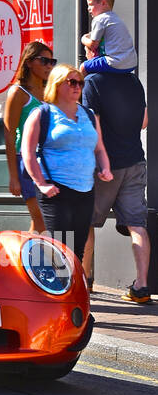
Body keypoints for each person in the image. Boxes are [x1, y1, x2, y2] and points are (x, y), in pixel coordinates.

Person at [21, 64, 114, 263]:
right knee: (61, 249)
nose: (77, 87)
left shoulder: (88, 115)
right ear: (56, 84)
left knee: (77, 250)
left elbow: (99, 149)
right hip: (55, 189)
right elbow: (27, 152)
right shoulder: (42, 114)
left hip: (85, 189)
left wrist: (105, 168)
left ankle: (75, 293)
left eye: (80, 82)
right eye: (72, 82)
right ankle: (57, 291)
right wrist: (41, 184)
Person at [81, 68, 151, 302]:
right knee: (137, 225)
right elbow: (144, 122)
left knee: (86, 222)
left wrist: (101, 162)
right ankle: (141, 286)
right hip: (135, 161)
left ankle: (84, 281)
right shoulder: (133, 80)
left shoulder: (92, 81)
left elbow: (93, 126)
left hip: (106, 165)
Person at [3, 41, 55, 233]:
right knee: (41, 219)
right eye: (44, 61)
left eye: (52, 62)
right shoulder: (18, 92)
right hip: (24, 161)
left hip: (48, 161)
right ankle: (41, 262)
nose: (49, 66)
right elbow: (9, 135)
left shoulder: (50, 91)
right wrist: (13, 177)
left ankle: (27, 259)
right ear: (29, 62)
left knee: (40, 222)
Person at [81, 0, 137, 74]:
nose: (88, 8)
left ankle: (83, 88)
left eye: (90, 5)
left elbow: (93, 44)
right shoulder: (115, 18)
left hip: (114, 62)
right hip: (131, 63)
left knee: (83, 67)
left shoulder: (99, 19)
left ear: (103, 3)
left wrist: (83, 38)